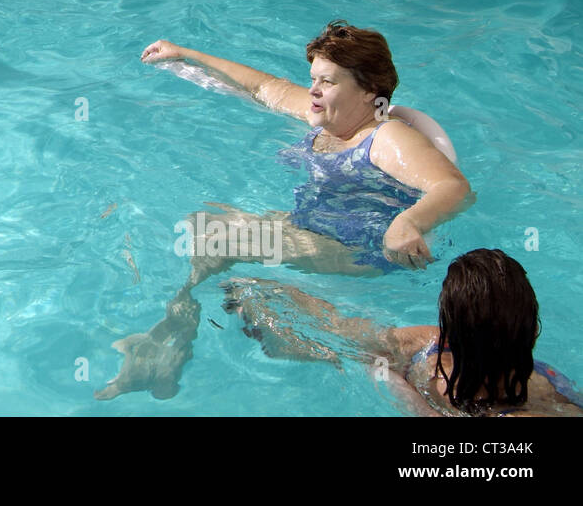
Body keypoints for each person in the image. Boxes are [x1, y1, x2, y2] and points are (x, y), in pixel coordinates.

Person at [95, 21, 472, 401]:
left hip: (363, 249)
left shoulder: (387, 137)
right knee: (201, 224)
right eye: (313, 78)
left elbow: (454, 187)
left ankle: (169, 342)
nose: (314, 90)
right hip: (315, 229)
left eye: (328, 81)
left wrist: (407, 222)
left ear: (368, 90)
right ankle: (173, 331)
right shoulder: (327, 118)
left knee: (217, 241)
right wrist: (186, 54)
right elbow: (263, 87)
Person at [221, 250, 582, 416]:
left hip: (412, 380)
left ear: (450, 333)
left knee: (358, 356)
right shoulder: (427, 345)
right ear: (532, 331)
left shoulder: (429, 351)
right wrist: (267, 293)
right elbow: (337, 327)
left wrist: (399, 391)